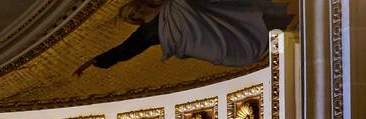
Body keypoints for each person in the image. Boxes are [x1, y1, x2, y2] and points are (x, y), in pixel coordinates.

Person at [75, 0, 293, 74]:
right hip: (202, 42)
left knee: (237, 20)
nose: (136, 14)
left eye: (133, 11)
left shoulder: (174, 6)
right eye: (131, 17)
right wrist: (96, 60)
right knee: (228, 49)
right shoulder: (147, 32)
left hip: (211, 22)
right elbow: (127, 48)